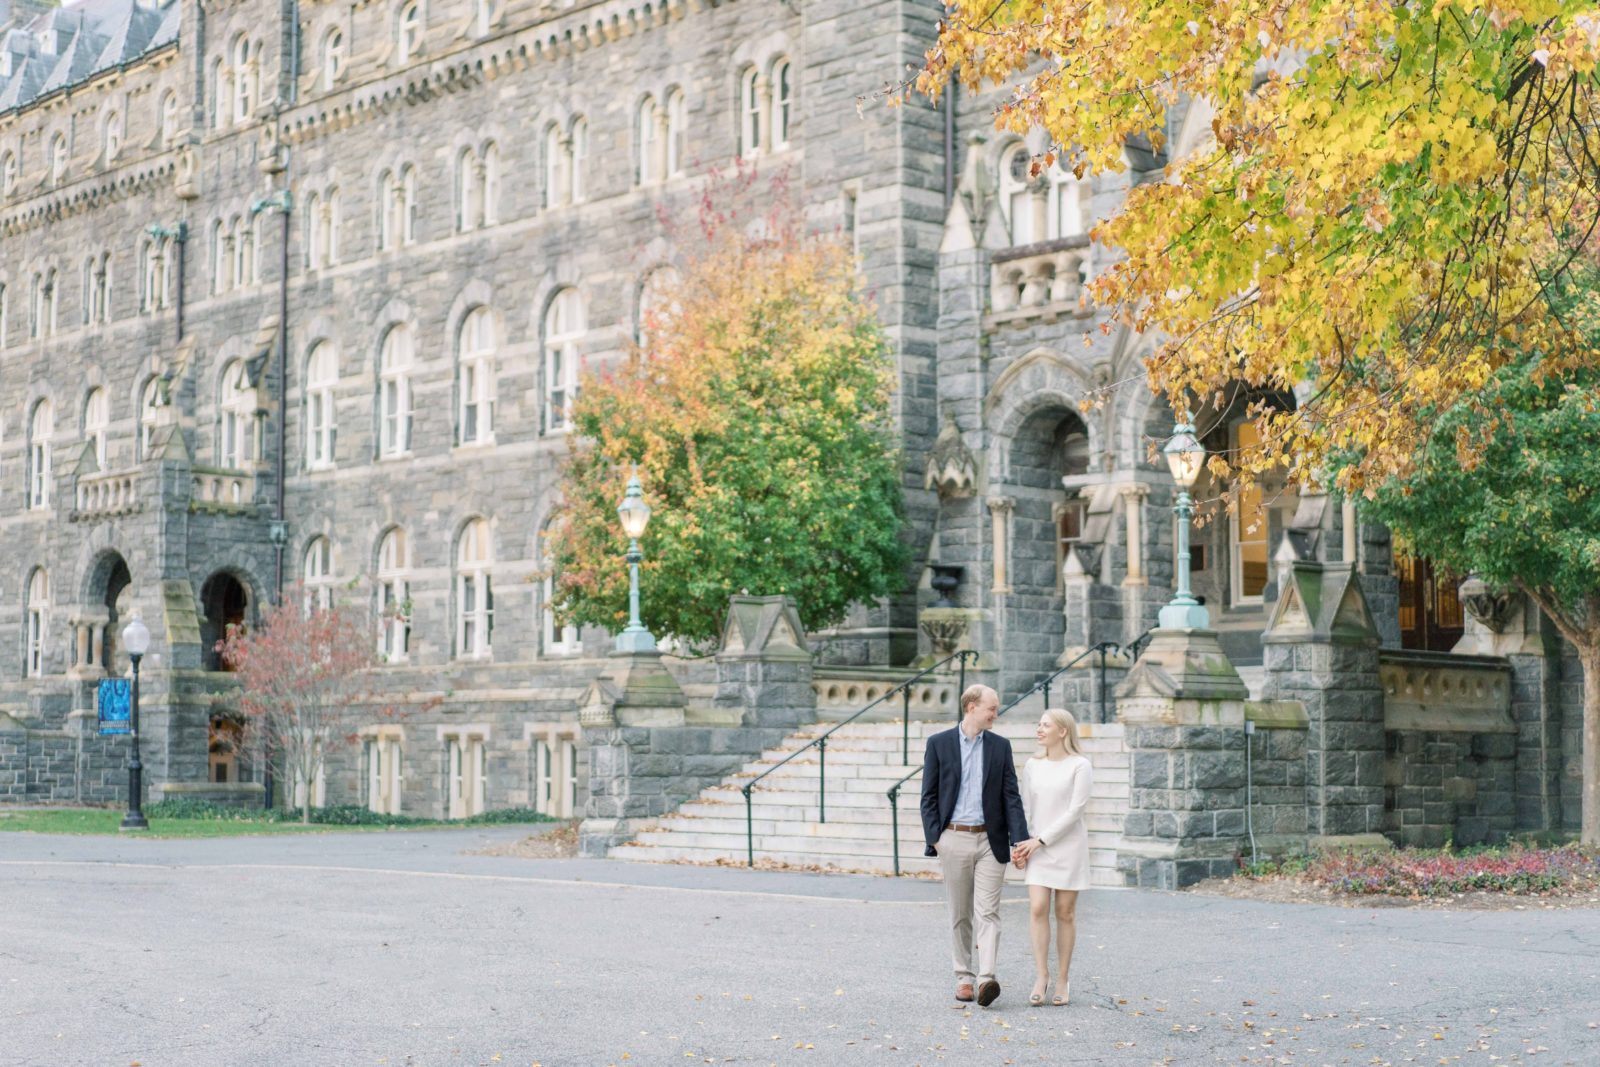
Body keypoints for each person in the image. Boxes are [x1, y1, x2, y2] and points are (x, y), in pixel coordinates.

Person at [920, 683, 1029, 1007]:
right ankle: (963, 977)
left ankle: (986, 978)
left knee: (988, 912)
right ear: (972, 707)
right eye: (991, 708)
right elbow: (928, 796)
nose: (996, 714)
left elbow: (1011, 796)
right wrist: (936, 838)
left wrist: (1019, 840)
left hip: (990, 841)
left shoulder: (1000, 746)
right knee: (960, 912)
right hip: (953, 838)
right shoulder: (938, 744)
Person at [1010, 707, 1094, 1007]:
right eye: (1039, 724)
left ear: (1063, 731)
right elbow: (1025, 807)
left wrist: (1041, 840)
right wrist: (1021, 845)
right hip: (1036, 847)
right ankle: (1041, 975)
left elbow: (1075, 810)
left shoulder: (1080, 765)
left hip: (1068, 847)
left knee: (1065, 912)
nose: (1039, 729)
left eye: (1046, 725)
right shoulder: (1033, 765)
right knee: (1037, 908)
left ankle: (1062, 979)